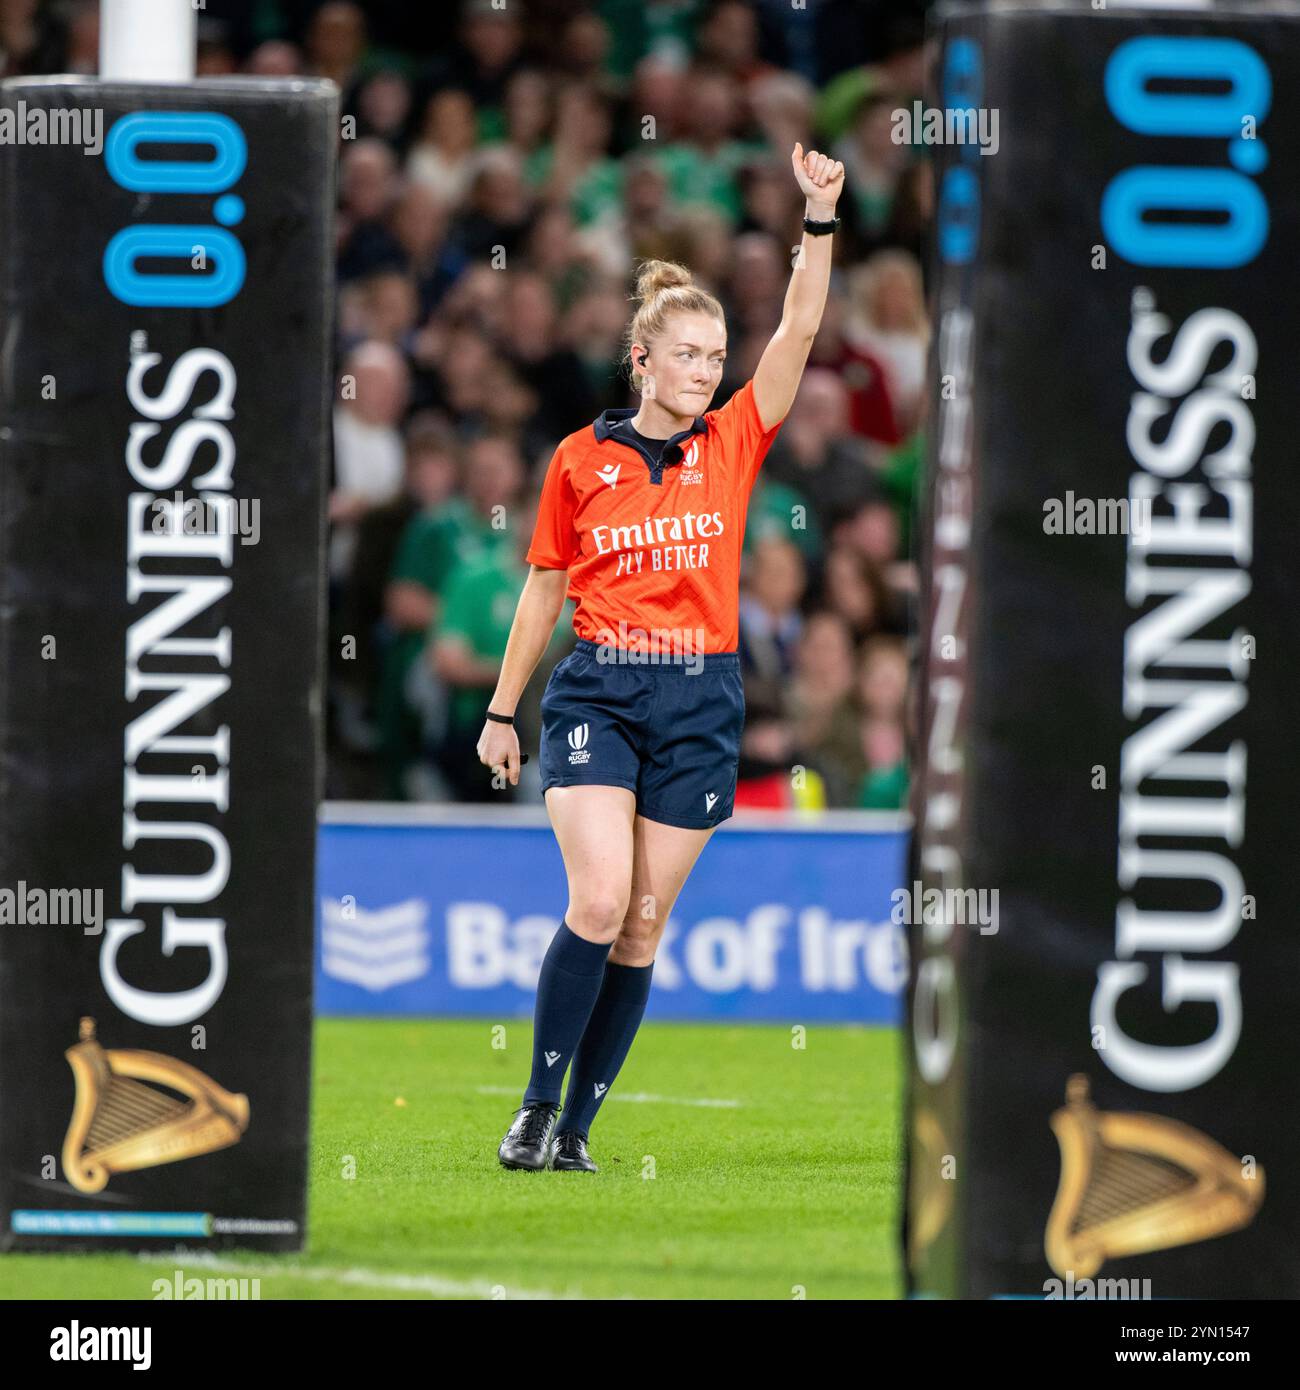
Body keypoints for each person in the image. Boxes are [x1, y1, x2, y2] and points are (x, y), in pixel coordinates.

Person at [476, 144, 846, 1172]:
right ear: (642, 360)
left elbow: (802, 325)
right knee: (596, 901)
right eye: (687, 356)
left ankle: (578, 1134)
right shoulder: (577, 461)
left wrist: (816, 219)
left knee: (639, 928)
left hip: (700, 699)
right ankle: (533, 1109)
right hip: (598, 686)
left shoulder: (729, 443)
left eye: (715, 357)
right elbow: (544, 589)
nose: (707, 371)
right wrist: (504, 710)